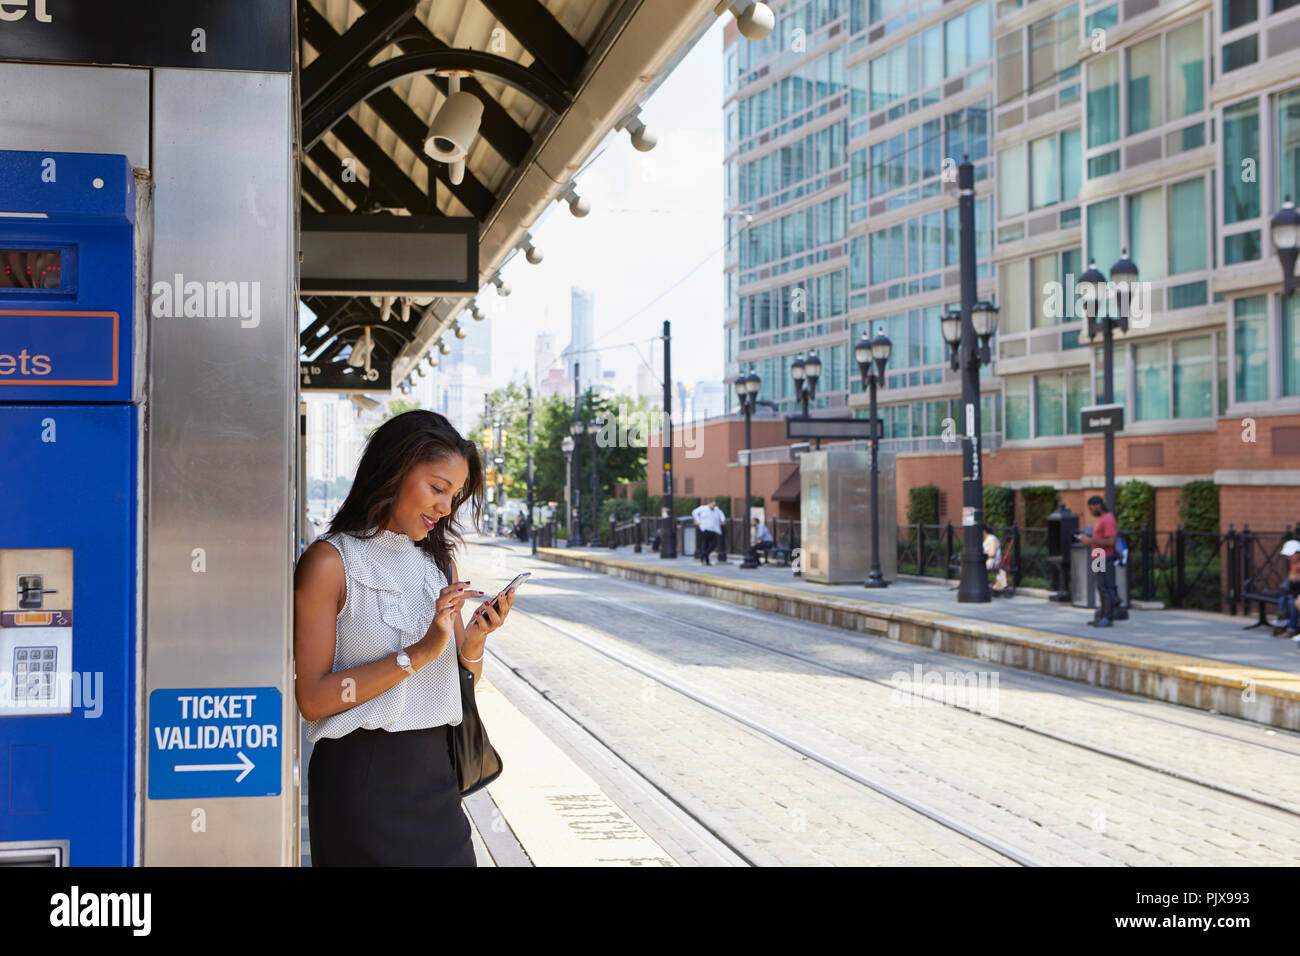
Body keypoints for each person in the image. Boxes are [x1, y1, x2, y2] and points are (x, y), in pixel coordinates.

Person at [293, 410, 516, 866]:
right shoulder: (330, 563)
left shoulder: (439, 565)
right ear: (393, 470)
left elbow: (458, 676)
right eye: (437, 488)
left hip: (437, 778)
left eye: (453, 495)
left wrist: (472, 643)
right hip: (362, 783)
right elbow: (312, 699)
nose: (445, 507)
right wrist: (416, 653)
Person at [1078, 495, 1118, 627]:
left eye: (1091, 509)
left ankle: (1108, 617)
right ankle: (1102, 615)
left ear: (1097, 505)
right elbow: (1099, 537)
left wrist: (1090, 541)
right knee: (1100, 586)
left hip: (1104, 556)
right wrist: (1088, 538)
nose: (1091, 512)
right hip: (1097, 555)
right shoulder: (1101, 519)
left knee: (1106, 586)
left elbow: (1111, 541)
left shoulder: (1108, 518)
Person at [1274, 540, 1300, 638]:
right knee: (1283, 600)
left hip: (1297, 594)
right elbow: (1292, 578)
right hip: (1294, 592)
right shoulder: (1292, 564)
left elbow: (1294, 578)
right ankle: (1283, 624)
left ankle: (1291, 630)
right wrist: (1294, 568)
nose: (1288, 557)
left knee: (1293, 603)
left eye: (1291, 555)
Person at [698, 498, 725, 565]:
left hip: (713, 530)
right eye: (713, 504)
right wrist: (698, 521)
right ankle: (706, 560)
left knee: (714, 544)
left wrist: (722, 520)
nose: (714, 506)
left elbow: (721, 515)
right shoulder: (703, 509)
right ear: (709, 504)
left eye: (714, 504)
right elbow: (694, 512)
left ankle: (703, 555)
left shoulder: (716, 510)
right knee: (705, 545)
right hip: (705, 530)